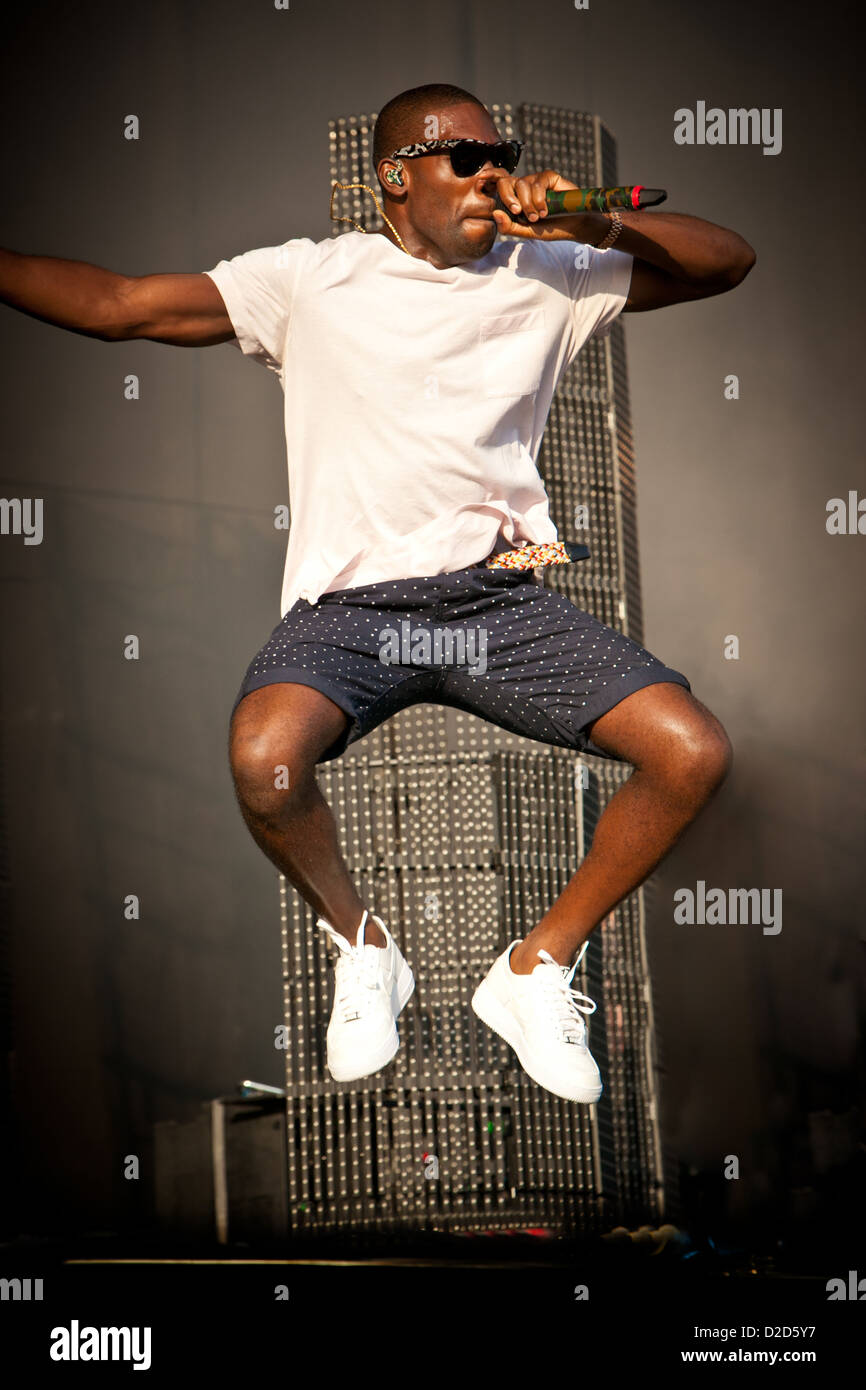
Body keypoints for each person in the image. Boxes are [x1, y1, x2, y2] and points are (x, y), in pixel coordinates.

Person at [0, 82, 755, 1104]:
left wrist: (590, 212)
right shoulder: (311, 281)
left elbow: (729, 262)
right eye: (465, 158)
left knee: (690, 750)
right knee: (264, 758)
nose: (491, 173)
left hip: (499, 606)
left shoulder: (552, 272)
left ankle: (534, 970)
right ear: (397, 180)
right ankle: (364, 948)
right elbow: (119, 306)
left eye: (503, 154)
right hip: (353, 616)